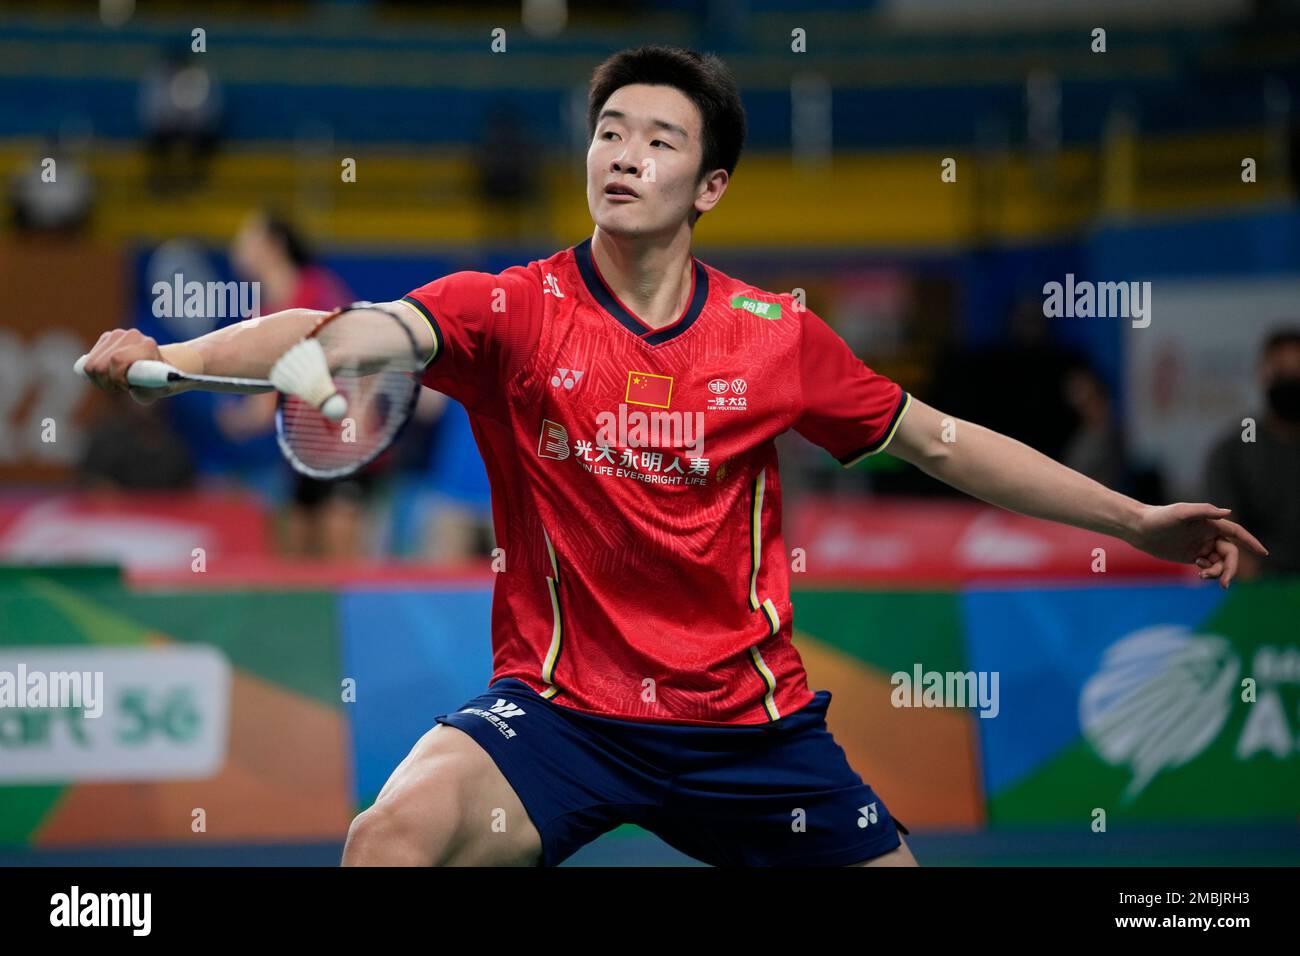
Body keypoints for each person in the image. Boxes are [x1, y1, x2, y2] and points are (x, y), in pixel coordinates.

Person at [80, 46, 1267, 868]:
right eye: (608, 130)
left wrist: (1131, 518)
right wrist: (176, 361)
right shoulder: (509, 307)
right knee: (388, 837)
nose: (623, 151)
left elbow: (940, 442)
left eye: (658, 137)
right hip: (557, 714)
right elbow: (339, 334)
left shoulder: (774, 337)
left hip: (748, 724)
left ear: (708, 185)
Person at [221, 210, 369, 558]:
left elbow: (364, 354)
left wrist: (359, 421)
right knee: (297, 567)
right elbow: (267, 399)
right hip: (302, 451)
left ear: (274, 245)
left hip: (345, 447)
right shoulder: (262, 312)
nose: (236, 247)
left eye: (246, 237)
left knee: (341, 565)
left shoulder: (317, 291)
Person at [1203, 328, 1300, 578]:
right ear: (1263, 374)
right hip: (1256, 589)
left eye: (1297, 372)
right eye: (1281, 372)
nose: (1290, 379)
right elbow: (1222, 530)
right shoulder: (1232, 452)